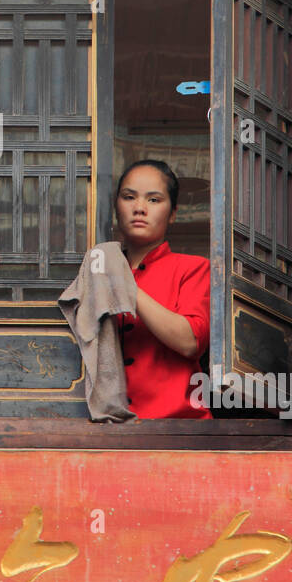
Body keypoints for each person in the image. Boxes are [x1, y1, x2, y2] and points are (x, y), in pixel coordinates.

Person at [113, 159, 211, 420]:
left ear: (173, 213)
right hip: (107, 427)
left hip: (179, 425)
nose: (139, 208)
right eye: (129, 197)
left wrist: (126, 286)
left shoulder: (193, 269)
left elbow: (190, 342)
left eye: (154, 200)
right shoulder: (97, 271)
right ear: (116, 206)